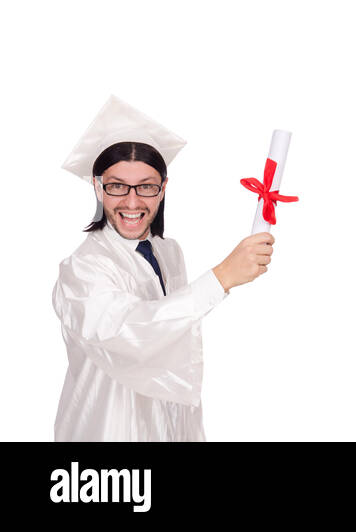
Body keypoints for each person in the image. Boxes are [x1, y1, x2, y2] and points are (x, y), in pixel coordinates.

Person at [53, 96, 275, 440]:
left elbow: (175, 346)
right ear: (97, 187)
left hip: (168, 426)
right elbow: (132, 334)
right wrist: (222, 278)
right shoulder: (82, 269)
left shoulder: (169, 253)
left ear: (162, 189)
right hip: (107, 434)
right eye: (116, 186)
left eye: (146, 186)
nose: (131, 200)